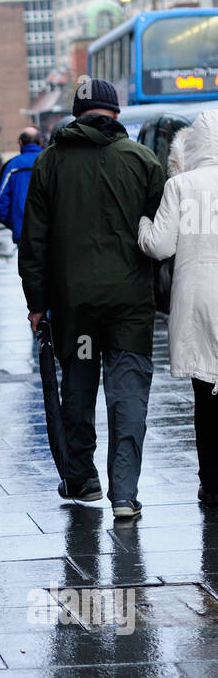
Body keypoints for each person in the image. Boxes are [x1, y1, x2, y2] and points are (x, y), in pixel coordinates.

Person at [18, 76, 165, 519]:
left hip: (73, 304)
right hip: (128, 304)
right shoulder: (143, 161)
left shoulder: (49, 163)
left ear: (76, 115)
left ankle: (82, 481)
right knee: (128, 395)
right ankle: (124, 494)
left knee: (78, 389)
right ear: (115, 113)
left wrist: (36, 302)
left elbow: (34, 241)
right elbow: (159, 238)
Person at [138, 110, 218, 508]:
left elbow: (159, 246)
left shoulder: (181, 184)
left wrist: (141, 225)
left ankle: (212, 483)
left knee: (205, 396)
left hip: (197, 299)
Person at [0, 128, 44, 244]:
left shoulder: (13, 165)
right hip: (48, 226)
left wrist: (11, 221)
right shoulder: (49, 161)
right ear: (41, 142)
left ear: (20, 143)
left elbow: (2, 197)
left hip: (21, 227)